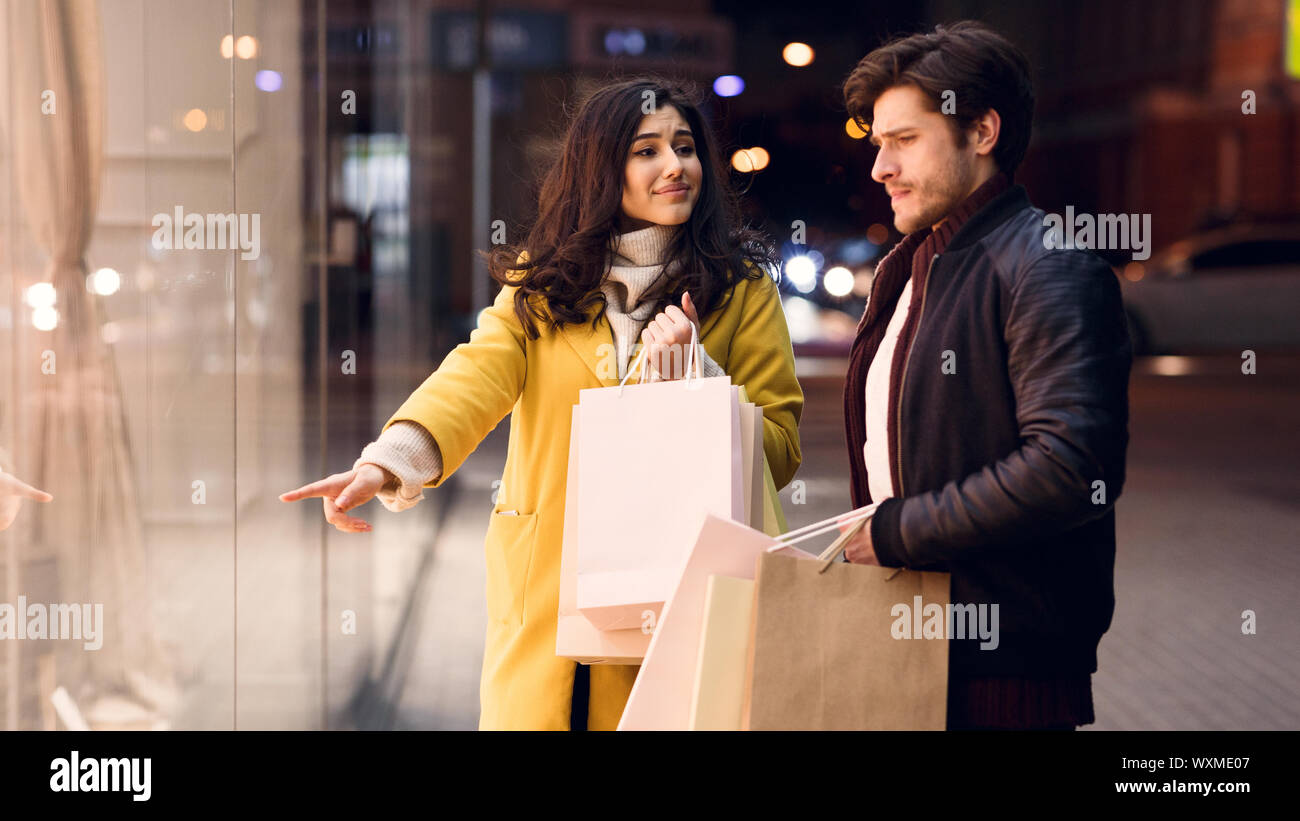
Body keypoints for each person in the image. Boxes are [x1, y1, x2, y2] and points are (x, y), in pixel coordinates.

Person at [281, 78, 803, 730]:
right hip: (550, 600)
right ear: (601, 170)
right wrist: (390, 459)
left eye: (685, 146)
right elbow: (477, 373)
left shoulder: (742, 290)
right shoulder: (547, 280)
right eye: (647, 150)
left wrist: (698, 377)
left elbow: (778, 453)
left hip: (678, 604)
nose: (676, 166)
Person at [836, 22, 1131, 730]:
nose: (880, 167)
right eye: (877, 143)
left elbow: (1070, 467)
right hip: (912, 645)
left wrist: (897, 531)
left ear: (983, 131)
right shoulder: (910, 267)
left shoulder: (1046, 264)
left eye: (904, 140)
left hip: (1006, 671)